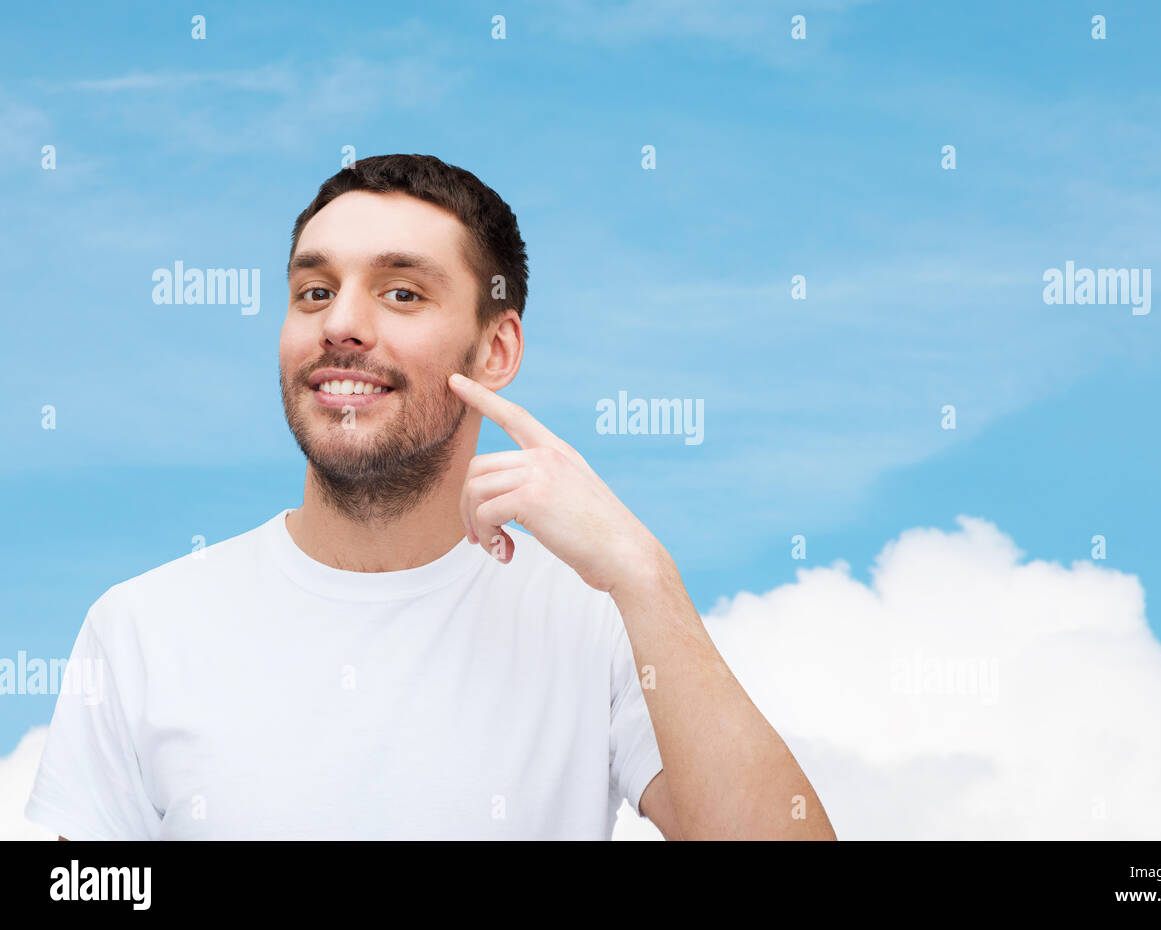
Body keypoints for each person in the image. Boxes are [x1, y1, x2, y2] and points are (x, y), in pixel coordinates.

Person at [25, 154, 835, 840]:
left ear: (495, 348)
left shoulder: (598, 621)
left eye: (401, 293)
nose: (342, 323)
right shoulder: (140, 628)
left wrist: (643, 575)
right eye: (314, 292)